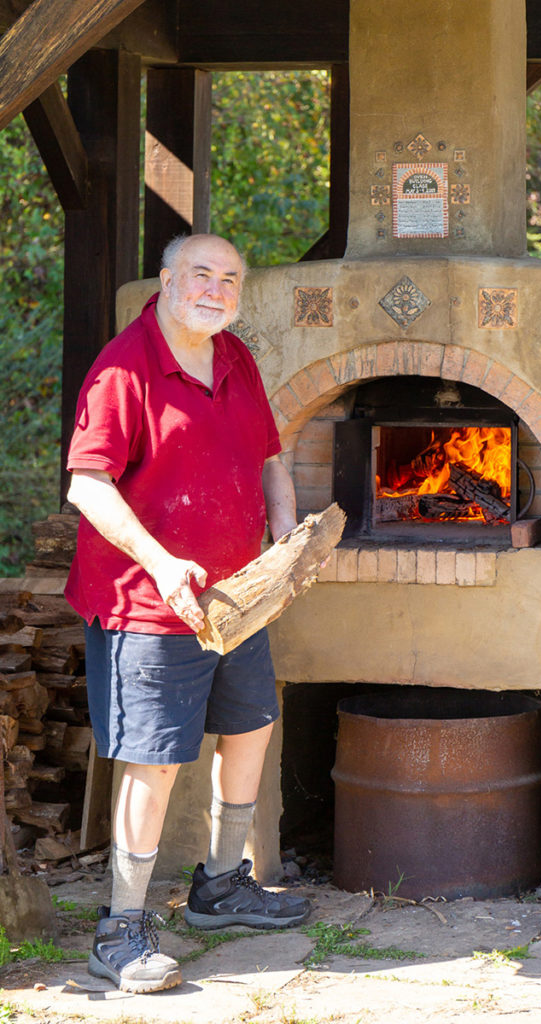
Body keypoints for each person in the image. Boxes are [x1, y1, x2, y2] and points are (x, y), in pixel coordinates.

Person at [64, 233, 310, 994]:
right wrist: (161, 561)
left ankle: (219, 886)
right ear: (167, 282)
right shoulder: (123, 369)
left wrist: (285, 540)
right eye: (200, 273)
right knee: (156, 757)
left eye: (229, 277)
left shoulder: (232, 355)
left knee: (250, 725)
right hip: (147, 602)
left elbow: (271, 458)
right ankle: (122, 927)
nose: (216, 288)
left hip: (235, 599)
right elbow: (87, 486)